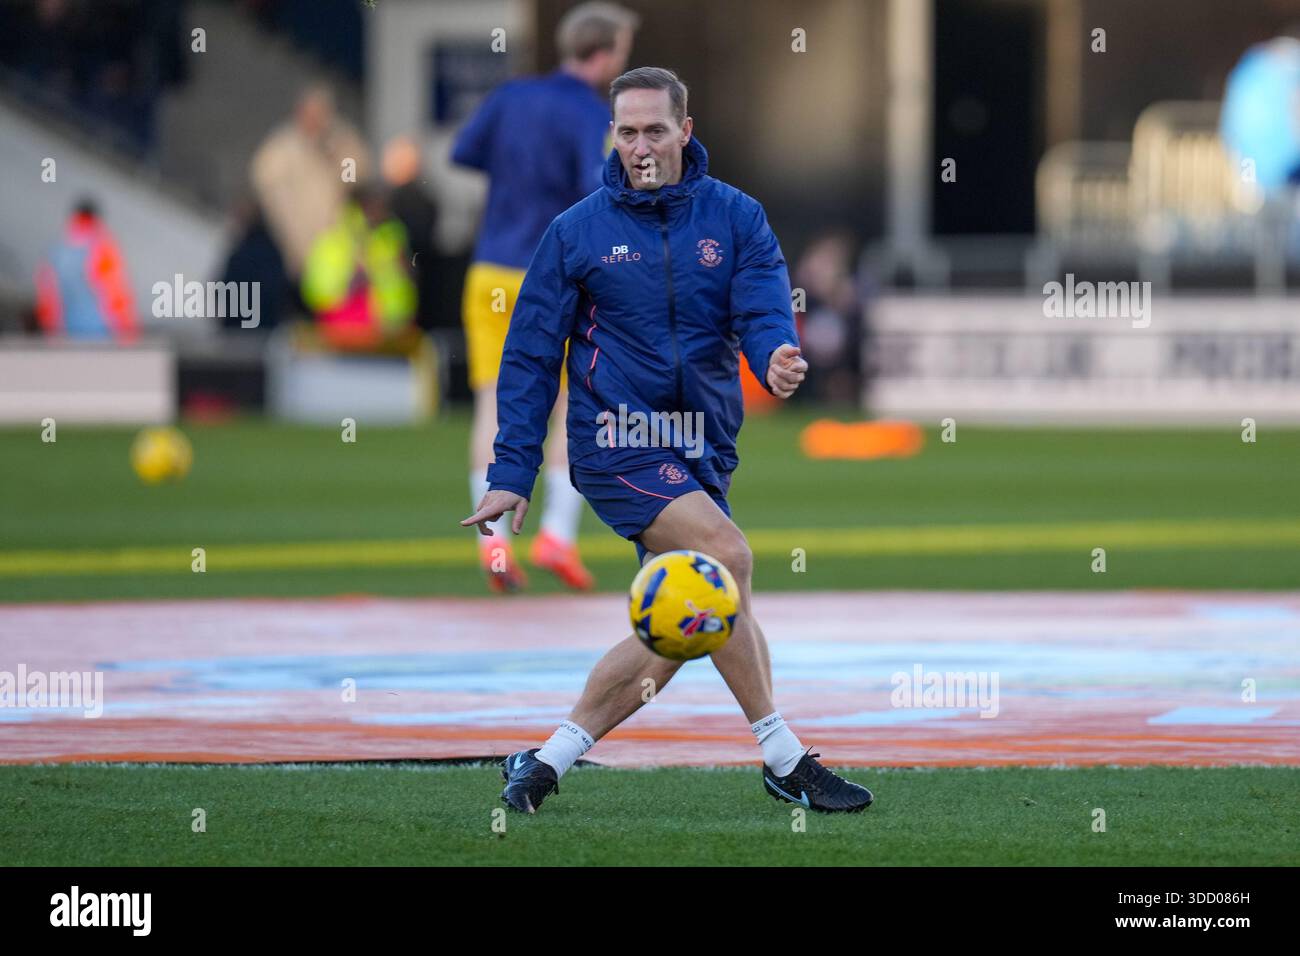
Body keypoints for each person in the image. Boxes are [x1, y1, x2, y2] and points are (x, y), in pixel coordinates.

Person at [462, 68, 873, 814]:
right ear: (611, 136)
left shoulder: (736, 217)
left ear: (686, 129)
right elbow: (527, 358)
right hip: (615, 442)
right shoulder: (576, 231)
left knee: (689, 619)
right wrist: (514, 469)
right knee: (728, 559)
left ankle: (546, 759)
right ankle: (784, 756)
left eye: (655, 130)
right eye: (627, 132)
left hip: (703, 445)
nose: (640, 146)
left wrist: (774, 350)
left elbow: (761, 303)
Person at [452, 1, 639, 593]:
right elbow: (595, 187)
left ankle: (495, 544)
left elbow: (462, 153)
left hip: (489, 270)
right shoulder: (591, 112)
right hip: (551, 273)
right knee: (568, 404)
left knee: (491, 400)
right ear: (606, 53)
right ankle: (557, 534)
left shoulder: (510, 97)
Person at [251, 84, 370, 279]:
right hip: (298, 243)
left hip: (337, 245)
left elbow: (355, 177)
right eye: (311, 112)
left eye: (321, 113)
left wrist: (339, 157)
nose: (315, 120)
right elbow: (266, 181)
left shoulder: (341, 140)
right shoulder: (283, 146)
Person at [35, 199, 138, 342]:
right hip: (102, 334)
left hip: (65, 334)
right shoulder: (102, 247)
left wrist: (51, 332)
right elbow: (115, 292)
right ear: (96, 218)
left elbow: (47, 298)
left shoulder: (57, 250)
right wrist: (128, 332)